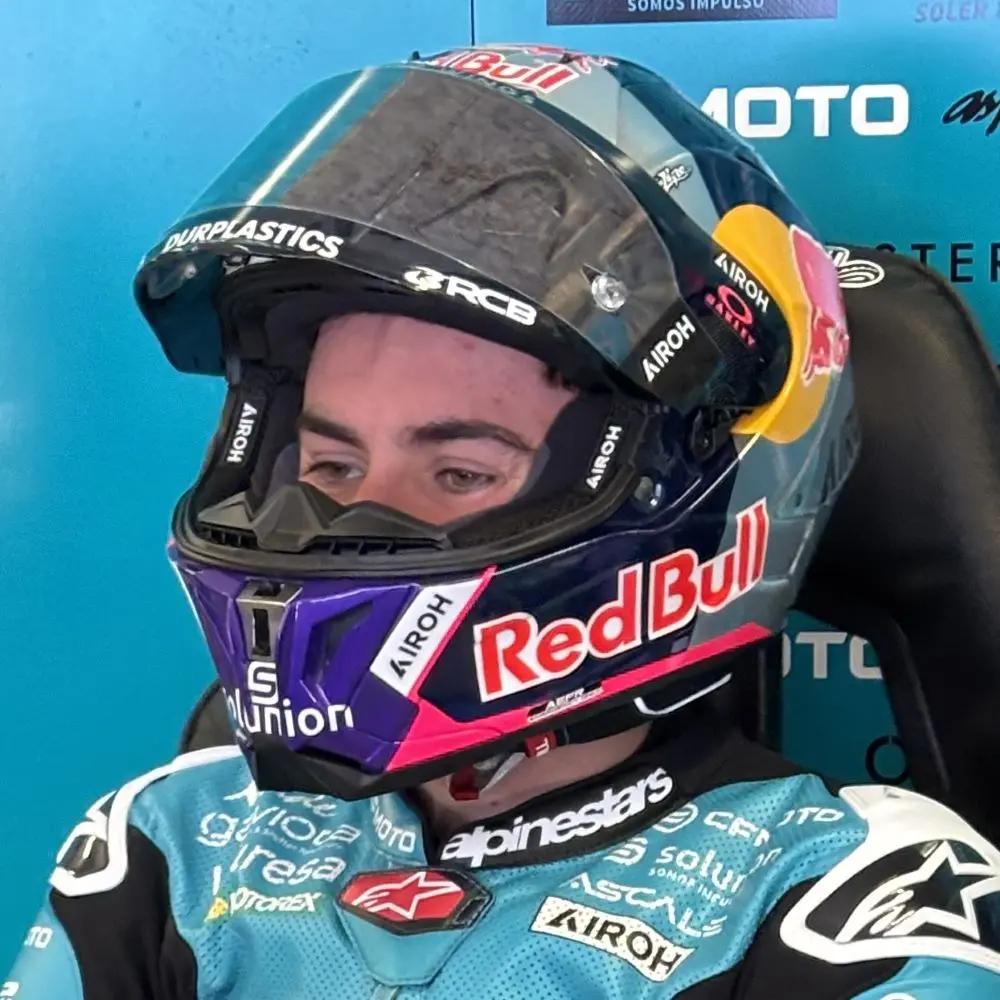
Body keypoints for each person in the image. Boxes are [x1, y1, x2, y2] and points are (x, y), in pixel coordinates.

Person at [7, 44, 1000, 999]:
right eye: (329, 465)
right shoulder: (169, 843)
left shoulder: (844, 891)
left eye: (460, 470)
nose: (349, 522)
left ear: (679, 481)